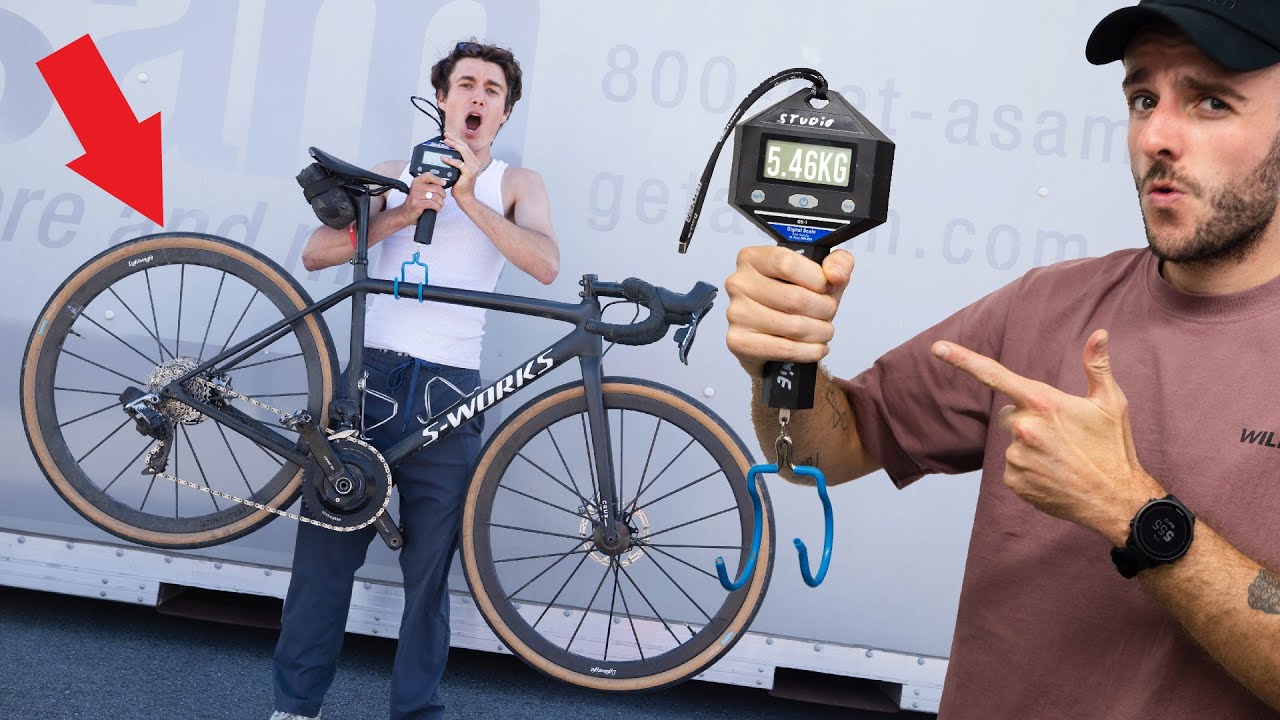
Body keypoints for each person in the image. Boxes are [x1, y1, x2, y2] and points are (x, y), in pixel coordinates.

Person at [723, 2, 1280, 717]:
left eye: (1210, 101)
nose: (1156, 136)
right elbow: (827, 452)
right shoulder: (1045, 305)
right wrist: (777, 364)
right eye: (1143, 98)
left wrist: (1132, 511)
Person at [270, 40, 558, 720]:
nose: (478, 96)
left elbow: (545, 265)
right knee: (322, 560)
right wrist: (404, 207)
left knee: (429, 574)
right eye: (466, 84)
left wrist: (466, 199)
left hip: (451, 393)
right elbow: (315, 253)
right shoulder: (392, 171)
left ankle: (415, 711)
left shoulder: (518, 184)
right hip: (370, 379)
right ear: (443, 99)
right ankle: (293, 709)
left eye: (492, 89)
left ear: (503, 112)